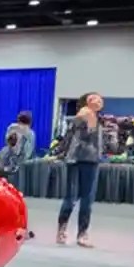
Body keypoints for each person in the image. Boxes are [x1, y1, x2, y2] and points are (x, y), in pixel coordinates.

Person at [57, 92, 105, 247]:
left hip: (87, 159)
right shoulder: (85, 114)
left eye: (100, 99)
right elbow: (85, 135)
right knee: (77, 197)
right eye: (94, 98)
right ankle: (75, 233)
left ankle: (72, 232)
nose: (98, 101)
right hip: (82, 159)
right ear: (87, 102)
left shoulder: (95, 117)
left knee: (82, 199)